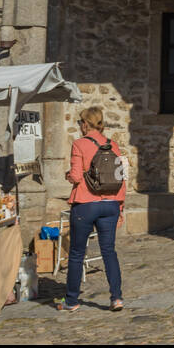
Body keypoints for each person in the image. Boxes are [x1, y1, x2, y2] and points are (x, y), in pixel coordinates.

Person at [59, 106, 126, 312]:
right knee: (109, 251)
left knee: (77, 253)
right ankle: (116, 298)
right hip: (111, 204)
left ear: (85, 124)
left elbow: (77, 176)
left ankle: (71, 301)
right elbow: (121, 177)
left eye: (80, 122)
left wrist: (68, 175)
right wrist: (120, 206)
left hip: (86, 204)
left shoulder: (79, 144)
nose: (79, 126)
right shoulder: (113, 145)